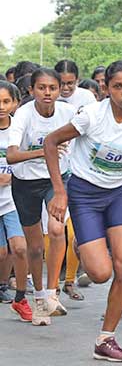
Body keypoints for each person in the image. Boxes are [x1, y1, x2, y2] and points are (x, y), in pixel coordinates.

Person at [43, 60, 122, 362]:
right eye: (118, 87)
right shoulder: (92, 116)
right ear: (106, 89)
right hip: (84, 194)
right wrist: (60, 191)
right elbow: (51, 141)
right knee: (99, 273)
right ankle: (85, 245)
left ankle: (106, 338)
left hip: (119, 194)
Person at [7, 68, 76, 326]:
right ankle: (38, 299)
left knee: (57, 230)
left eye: (52, 88)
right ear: (31, 90)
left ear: (60, 90)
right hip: (25, 182)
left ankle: (52, 293)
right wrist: (45, 151)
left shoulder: (69, 113)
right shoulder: (23, 116)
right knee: (35, 247)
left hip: (56, 179)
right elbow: (12, 155)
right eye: (41, 88)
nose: (47, 93)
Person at [0, 82, 32, 322]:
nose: (1, 107)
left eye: (6, 101)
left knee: (20, 248)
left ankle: (20, 298)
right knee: (1, 253)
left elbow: (29, 158)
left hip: (13, 199)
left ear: (15, 103)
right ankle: (2, 284)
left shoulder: (20, 131)